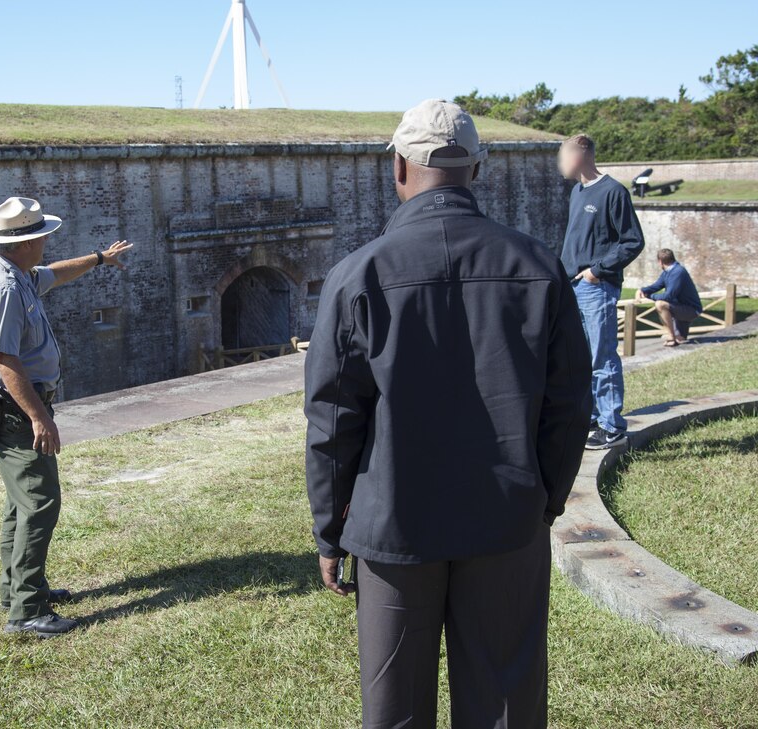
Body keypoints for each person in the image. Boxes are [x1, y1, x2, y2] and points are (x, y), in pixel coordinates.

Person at [304, 99, 592, 729]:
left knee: (396, 706)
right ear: (477, 171)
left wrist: (330, 529)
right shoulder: (538, 267)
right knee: (506, 700)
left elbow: (332, 422)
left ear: (399, 169)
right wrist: (544, 499)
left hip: (392, 523)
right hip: (506, 517)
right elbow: (569, 405)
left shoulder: (358, 276)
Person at [0, 196, 132, 637]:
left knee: (22, 503)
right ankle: (26, 610)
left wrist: (99, 258)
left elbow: (55, 274)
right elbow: (5, 361)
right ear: (26, 243)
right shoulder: (3, 288)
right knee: (39, 502)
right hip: (14, 410)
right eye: (42, 237)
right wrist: (39, 418)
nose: (47, 243)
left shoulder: (14, 273)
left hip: (11, 408)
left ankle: (18, 588)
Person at [557, 133, 646, 450]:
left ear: (581, 154)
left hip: (596, 288)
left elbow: (632, 241)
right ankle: (594, 419)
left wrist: (597, 271)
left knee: (601, 357)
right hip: (574, 287)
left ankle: (612, 427)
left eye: (564, 155)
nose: (561, 162)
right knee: (582, 359)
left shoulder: (613, 192)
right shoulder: (577, 192)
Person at [636, 248, 703, 346]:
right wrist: (642, 290)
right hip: (681, 307)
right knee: (681, 339)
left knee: (660, 304)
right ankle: (675, 336)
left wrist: (649, 296)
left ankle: (671, 336)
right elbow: (657, 285)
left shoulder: (678, 272)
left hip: (691, 310)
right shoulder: (668, 272)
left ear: (660, 262)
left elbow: (669, 296)